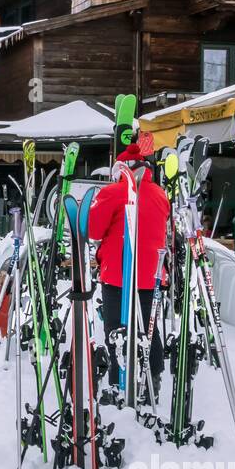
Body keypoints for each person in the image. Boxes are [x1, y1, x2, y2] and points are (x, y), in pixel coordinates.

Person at [87, 137, 170, 399]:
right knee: (148, 328)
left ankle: (118, 380)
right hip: (151, 275)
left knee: (117, 329)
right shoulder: (160, 195)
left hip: (118, 274)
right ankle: (152, 378)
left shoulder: (113, 193)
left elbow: (93, 229)